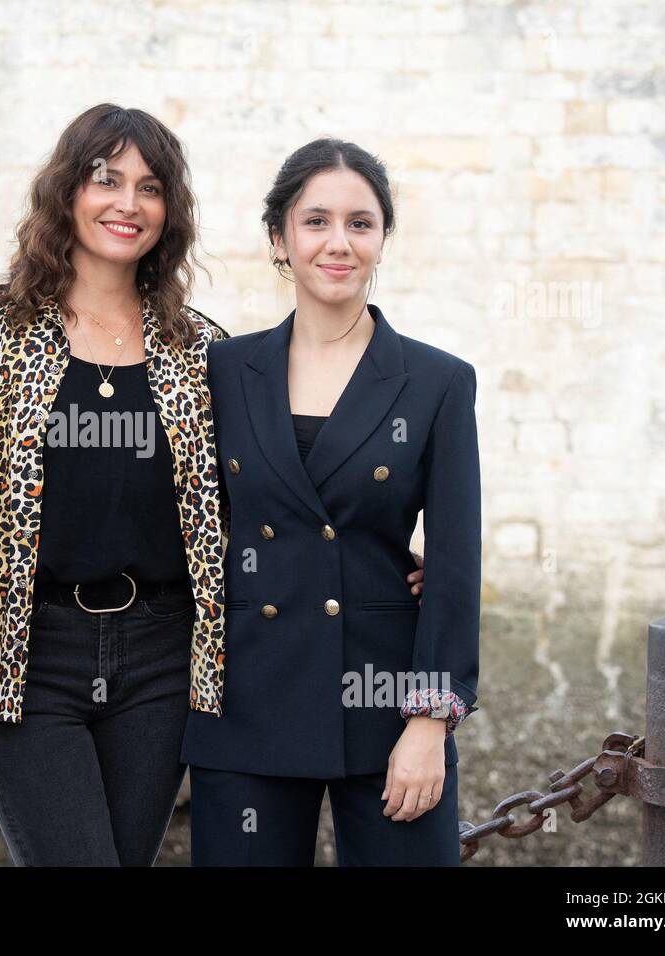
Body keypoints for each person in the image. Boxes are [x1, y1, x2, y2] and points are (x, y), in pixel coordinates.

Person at [0, 108, 426, 866]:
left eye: (150, 187)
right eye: (106, 179)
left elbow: (261, 500)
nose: (127, 203)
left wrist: (380, 556)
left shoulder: (202, 350)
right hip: (28, 655)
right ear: (66, 191)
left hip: (163, 658)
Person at [181, 138, 481, 866]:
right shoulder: (221, 369)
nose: (337, 243)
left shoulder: (436, 382)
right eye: (315, 222)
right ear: (280, 238)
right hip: (247, 700)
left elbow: (454, 565)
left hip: (386, 707)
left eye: (360, 222)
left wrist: (429, 723)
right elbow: (186, 526)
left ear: (382, 239)